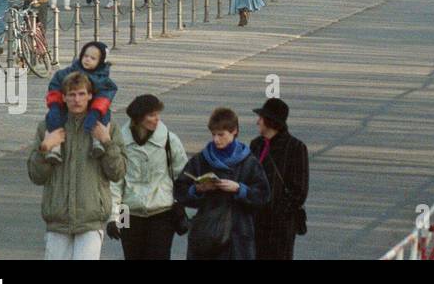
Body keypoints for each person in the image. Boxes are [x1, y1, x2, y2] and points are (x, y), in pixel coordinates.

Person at [28, 70, 126, 260]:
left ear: (90, 96)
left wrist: (106, 142)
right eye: (71, 95)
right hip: (58, 218)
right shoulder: (48, 127)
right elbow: (36, 176)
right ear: (63, 97)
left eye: (82, 94)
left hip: (90, 219)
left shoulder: (106, 127)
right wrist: (45, 148)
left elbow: (118, 172)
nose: (77, 100)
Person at [174, 107, 271, 260]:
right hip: (207, 234)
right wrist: (197, 189)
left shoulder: (248, 161)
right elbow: (180, 190)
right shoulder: (201, 159)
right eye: (213, 134)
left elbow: (264, 195)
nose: (216, 140)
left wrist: (240, 189)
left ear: (234, 131)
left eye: (221, 135)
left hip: (239, 235)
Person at [108, 94, 189, 260]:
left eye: (158, 114)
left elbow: (183, 175)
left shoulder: (169, 141)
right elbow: (115, 182)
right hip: (127, 212)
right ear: (137, 119)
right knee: (131, 257)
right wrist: (113, 218)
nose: (157, 119)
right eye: (151, 115)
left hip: (162, 211)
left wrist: (181, 202)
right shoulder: (120, 142)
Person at [249, 98, 309, 261]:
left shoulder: (295, 147)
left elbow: (299, 191)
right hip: (256, 223)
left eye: (261, 118)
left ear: (270, 121)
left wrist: (279, 215)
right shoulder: (256, 145)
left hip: (279, 228)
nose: (257, 122)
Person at [44, 41, 117, 162]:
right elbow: (55, 84)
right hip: (67, 105)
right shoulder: (69, 71)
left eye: (93, 58)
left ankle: (97, 141)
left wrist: (97, 109)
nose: (87, 60)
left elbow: (107, 94)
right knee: (53, 118)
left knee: (103, 118)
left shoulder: (101, 78)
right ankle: (55, 148)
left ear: (100, 62)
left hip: (94, 106)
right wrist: (55, 103)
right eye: (85, 56)